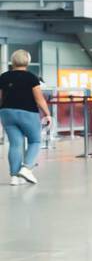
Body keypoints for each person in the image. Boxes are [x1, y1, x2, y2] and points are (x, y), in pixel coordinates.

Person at [0, 49, 51, 185]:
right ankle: (27, 168)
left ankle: (14, 177)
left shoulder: (3, 77)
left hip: (6, 113)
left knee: (15, 144)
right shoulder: (32, 77)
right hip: (27, 112)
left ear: (13, 61)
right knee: (35, 141)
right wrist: (47, 114)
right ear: (27, 61)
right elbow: (39, 99)